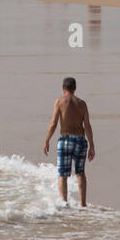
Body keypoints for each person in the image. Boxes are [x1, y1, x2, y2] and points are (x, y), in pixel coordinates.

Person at [42, 77, 96, 207]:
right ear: (75, 88)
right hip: (80, 140)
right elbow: (87, 126)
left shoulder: (60, 102)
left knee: (63, 174)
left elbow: (53, 123)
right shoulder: (82, 104)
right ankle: (83, 205)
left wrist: (47, 140)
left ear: (63, 88)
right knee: (80, 173)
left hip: (65, 140)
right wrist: (92, 146)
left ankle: (64, 203)